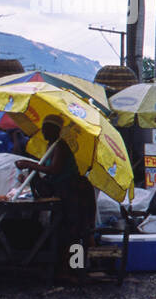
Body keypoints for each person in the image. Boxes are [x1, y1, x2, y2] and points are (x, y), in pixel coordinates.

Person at [15, 115, 96, 274]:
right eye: (43, 129)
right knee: (62, 230)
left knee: (75, 231)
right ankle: (63, 268)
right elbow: (47, 171)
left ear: (56, 131)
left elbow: (54, 169)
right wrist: (31, 172)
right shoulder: (51, 146)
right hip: (62, 192)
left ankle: (76, 269)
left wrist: (30, 164)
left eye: (47, 129)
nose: (44, 132)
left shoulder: (61, 146)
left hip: (74, 192)